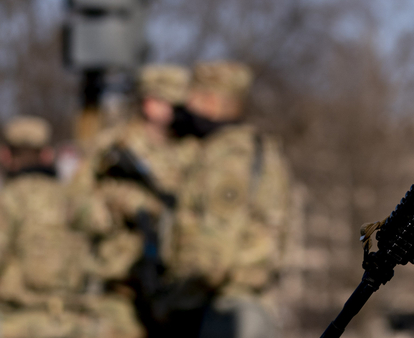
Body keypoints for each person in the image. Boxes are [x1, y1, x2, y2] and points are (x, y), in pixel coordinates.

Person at [0, 116, 103, 338]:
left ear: (5, 155)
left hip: (13, 323)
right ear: (47, 155)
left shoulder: (5, 200)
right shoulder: (76, 201)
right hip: (73, 323)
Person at [72, 64, 198, 338]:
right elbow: (75, 202)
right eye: (172, 103)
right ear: (150, 103)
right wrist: (114, 208)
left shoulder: (193, 150)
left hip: (177, 286)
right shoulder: (114, 146)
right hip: (120, 286)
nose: (181, 110)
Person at [170, 61, 290, 338]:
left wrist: (170, 302)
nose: (186, 106)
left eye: (192, 98)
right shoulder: (257, 147)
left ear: (211, 102)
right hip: (245, 306)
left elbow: (214, 254)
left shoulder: (226, 156)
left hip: (226, 312)